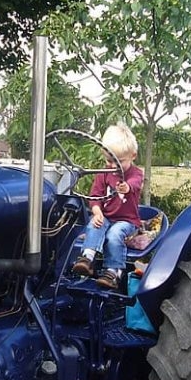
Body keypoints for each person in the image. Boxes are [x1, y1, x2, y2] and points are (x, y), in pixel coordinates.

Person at [71, 123, 144, 289]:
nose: (112, 166)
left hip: (127, 221)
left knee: (114, 234)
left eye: (118, 162)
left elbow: (135, 183)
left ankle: (113, 271)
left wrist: (127, 187)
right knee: (94, 223)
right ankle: (87, 259)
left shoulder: (136, 174)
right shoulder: (104, 173)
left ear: (133, 156)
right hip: (107, 217)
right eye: (108, 160)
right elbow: (95, 197)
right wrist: (97, 212)